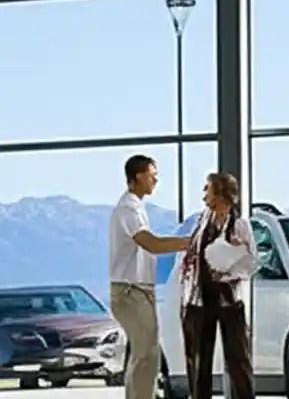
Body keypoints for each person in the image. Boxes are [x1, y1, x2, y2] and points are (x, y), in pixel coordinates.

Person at [109, 154, 190, 399]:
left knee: (145, 354)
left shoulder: (136, 207)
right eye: (152, 175)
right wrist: (191, 242)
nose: (156, 180)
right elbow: (151, 244)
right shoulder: (128, 209)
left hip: (138, 289)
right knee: (147, 354)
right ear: (138, 176)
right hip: (130, 291)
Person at [177, 172, 257, 399]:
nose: (204, 194)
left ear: (221, 194)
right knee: (199, 363)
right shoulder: (202, 222)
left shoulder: (240, 225)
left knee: (238, 360)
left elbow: (251, 262)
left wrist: (228, 271)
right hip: (199, 301)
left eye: (207, 189)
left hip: (229, 302)